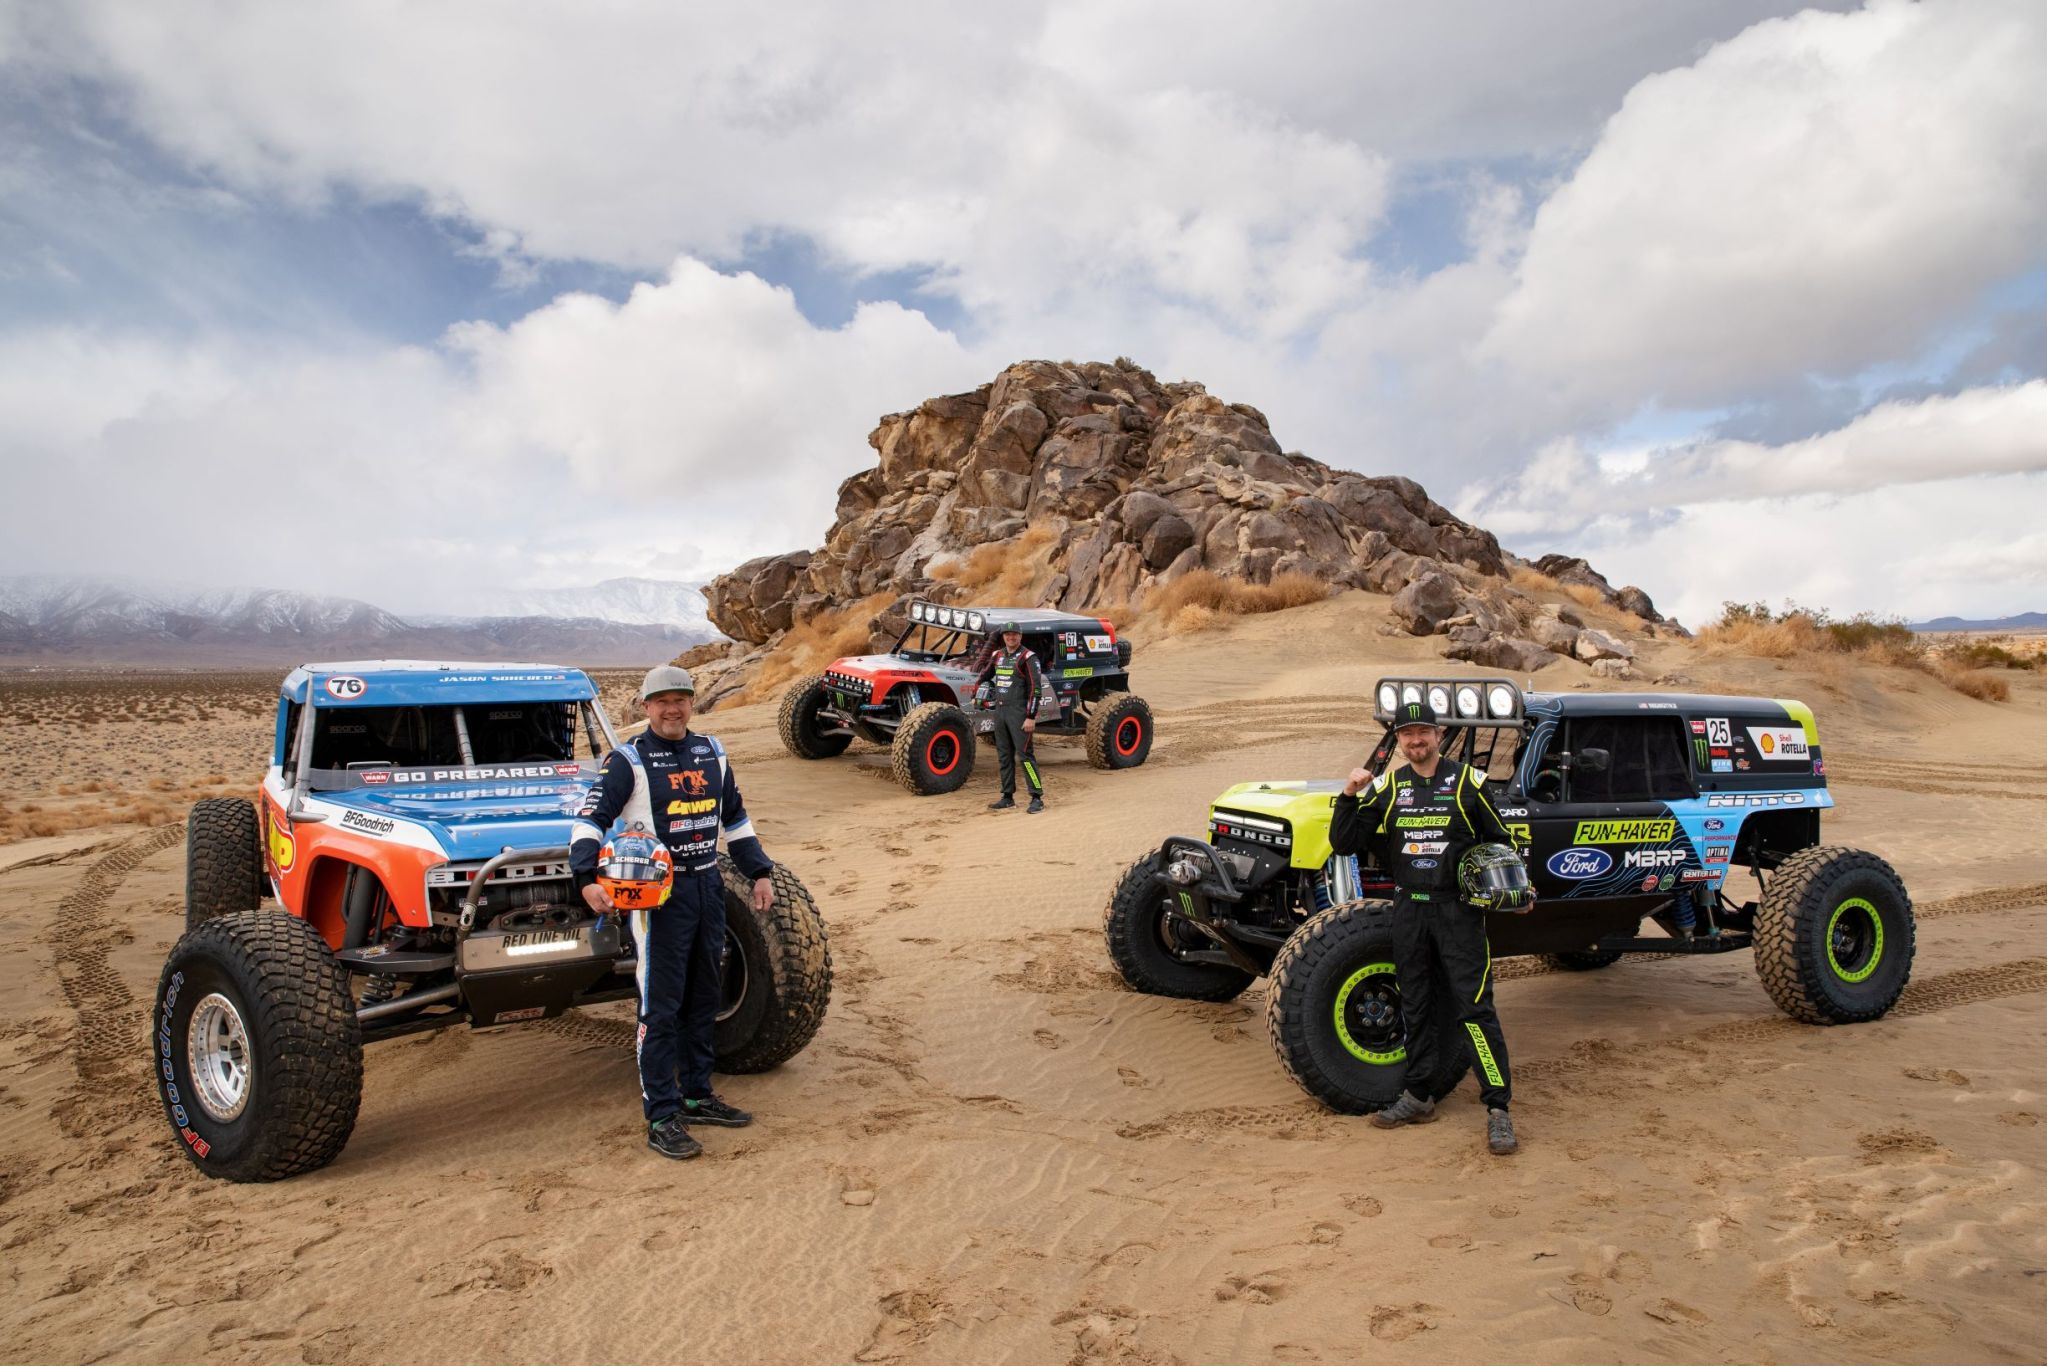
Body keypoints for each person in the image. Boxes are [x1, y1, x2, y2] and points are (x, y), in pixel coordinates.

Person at [571, 665, 777, 1160]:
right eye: (661, 701)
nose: (672, 709)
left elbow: (735, 818)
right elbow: (590, 820)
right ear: (645, 706)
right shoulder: (628, 760)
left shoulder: (712, 752)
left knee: (704, 996)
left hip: (708, 884)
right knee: (661, 1007)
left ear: (691, 703)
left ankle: (697, 1095)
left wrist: (759, 871)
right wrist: (585, 879)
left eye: (680, 699)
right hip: (656, 898)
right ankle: (662, 1115)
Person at [1329, 699, 1527, 1156]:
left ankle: (1498, 1108)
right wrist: (1349, 794)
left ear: (1438, 735)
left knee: (1474, 1009)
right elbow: (1345, 841)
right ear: (1399, 741)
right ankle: (1419, 1096)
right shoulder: (1389, 788)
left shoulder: (1469, 783)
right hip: (1409, 912)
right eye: (1406, 734)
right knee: (1415, 1006)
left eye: (1423, 732)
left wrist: (1519, 891)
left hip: (1457, 912)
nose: (1415, 740)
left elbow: (1502, 842)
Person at [974, 621, 1047, 813]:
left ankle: (1037, 797)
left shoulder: (1028, 657)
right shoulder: (997, 655)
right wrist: (976, 692)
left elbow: (1035, 689)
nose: (1011, 637)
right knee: (1004, 756)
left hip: (1019, 713)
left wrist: (1030, 716)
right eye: (1007, 634)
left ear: (1020, 636)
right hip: (1000, 712)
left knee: (1025, 756)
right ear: (1003, 637)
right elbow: (984, 675)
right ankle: (1007, 797)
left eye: (1014, 634)